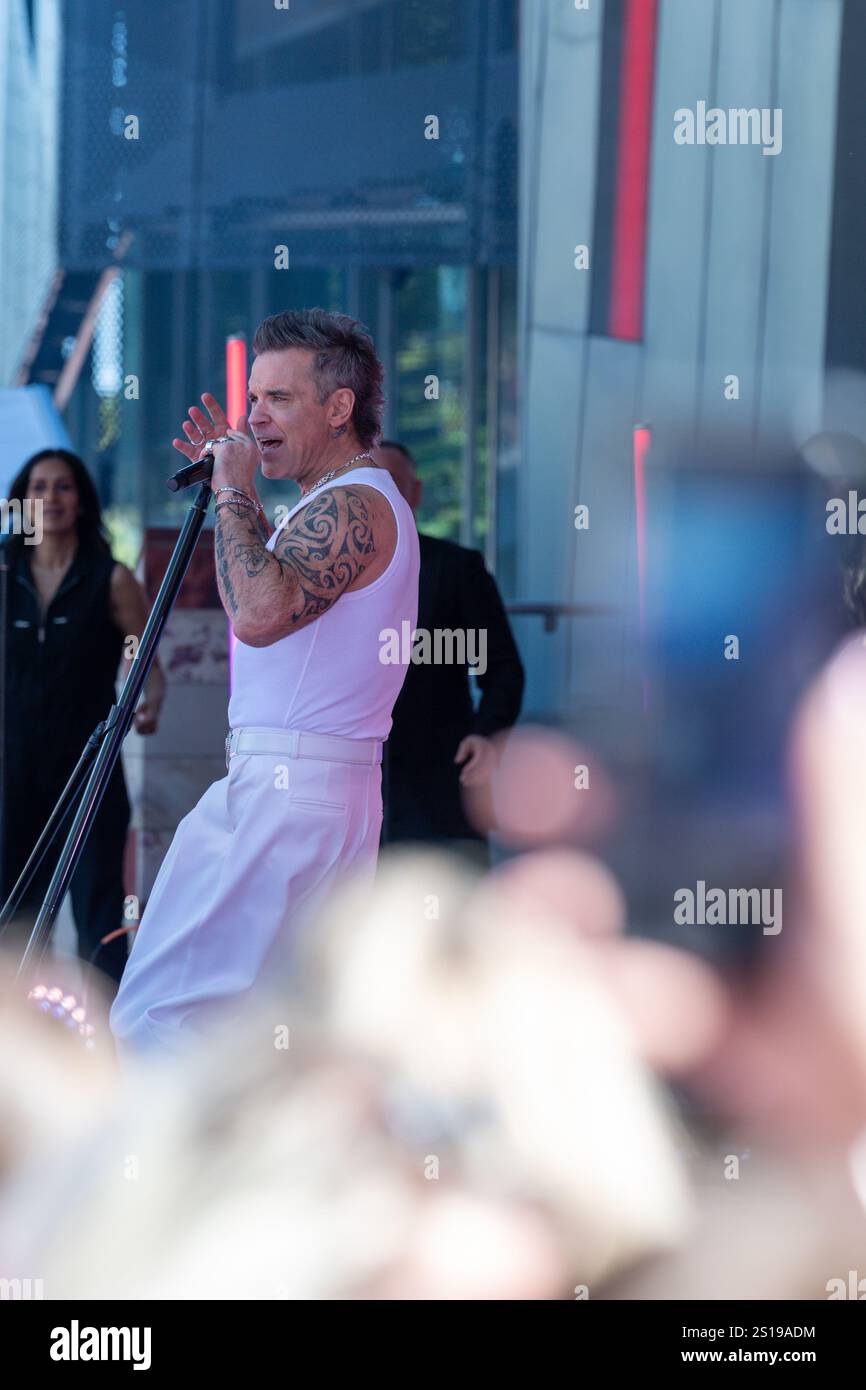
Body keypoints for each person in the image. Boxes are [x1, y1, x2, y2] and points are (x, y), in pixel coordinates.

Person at [109, 308, 420, 1056]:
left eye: (279, 398)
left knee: (160, 1016)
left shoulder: (355, 503)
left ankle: (152, 1171)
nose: (256, 417)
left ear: (339, 408)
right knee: (269, 1036)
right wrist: (232, 492)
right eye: (254, 399)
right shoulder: (339, 502)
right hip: (311, 786)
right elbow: (260, 594)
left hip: (289, 787)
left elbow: (259, 610)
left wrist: (233, 490)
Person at [0, 448, 166, 987]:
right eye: (39, 487)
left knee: (98, 912)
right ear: (22, 501)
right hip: (10, 772)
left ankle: (106, 1050)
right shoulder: (3, 573)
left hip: (88, 771)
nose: (51, 498)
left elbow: (144, 658)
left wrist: (151, 697)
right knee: (14, 915)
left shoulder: (111, 579)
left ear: (82, 499)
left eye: (63, 487)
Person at [373, 441, 524, 866]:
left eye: (395, 487)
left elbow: (502, 670)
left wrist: (487, 734)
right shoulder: (332, 575)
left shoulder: (457, 569)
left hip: (440, 778)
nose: (385, 500)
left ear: (416, 492)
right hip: (356, 783)